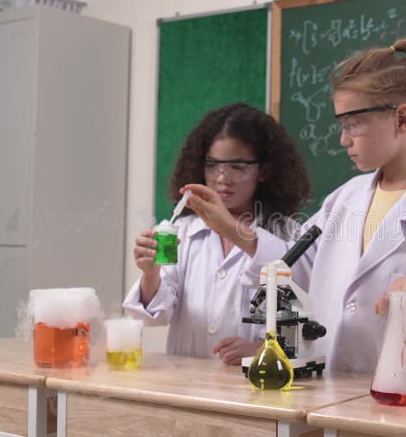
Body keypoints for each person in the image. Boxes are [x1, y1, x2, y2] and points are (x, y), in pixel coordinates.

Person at [232, 38, 406, 383]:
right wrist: (230, 227)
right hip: (343, 387)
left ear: (402, 118)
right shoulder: (343, 199)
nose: (344, 140)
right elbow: (296, 265)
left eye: (352, 124)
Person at [124, 103, 311, 365]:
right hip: (185, 386)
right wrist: (150, 272)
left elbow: (303, 322)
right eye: (213, 165)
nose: (223, 178)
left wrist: (260, 348)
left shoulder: (287, 235)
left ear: (265, 171)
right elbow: (155, 315)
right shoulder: (185, 232)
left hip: (253, 388)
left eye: (237, 166)